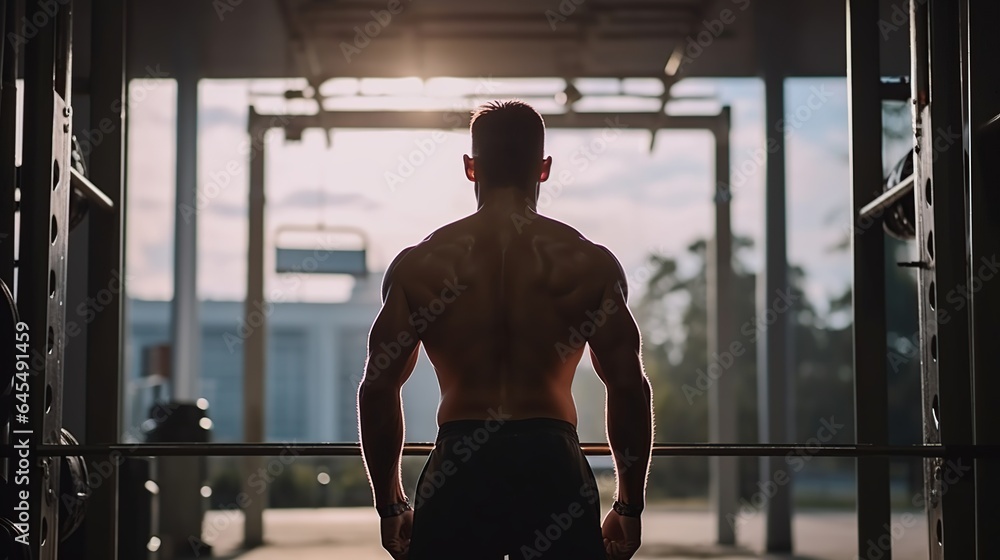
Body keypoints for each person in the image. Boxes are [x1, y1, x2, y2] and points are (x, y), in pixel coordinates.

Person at [358, 100, 653, 560]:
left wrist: (390, 504)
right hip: (551, 462)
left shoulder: (421, 265)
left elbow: (377, 388)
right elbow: (629, 389)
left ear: (471, 168)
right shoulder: (589, 263)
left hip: (461, 461)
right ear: (544, 169)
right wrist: (629, 506)